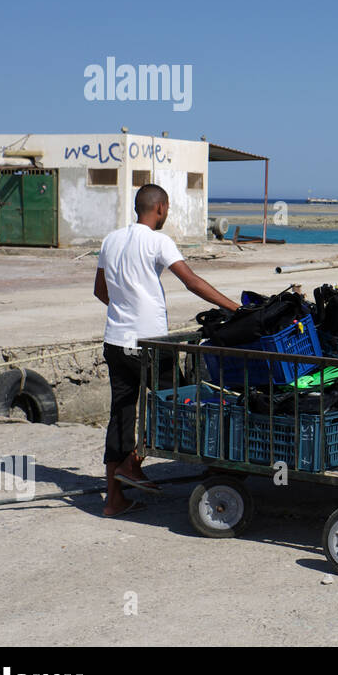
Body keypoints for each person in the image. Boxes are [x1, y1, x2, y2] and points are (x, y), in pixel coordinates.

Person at [94, 184, 240, 517]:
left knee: (121, 413)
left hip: (115, 341)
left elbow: (100, 290)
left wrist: (126, 311)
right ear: (160, 208)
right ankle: (147, 463)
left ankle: (114, 500)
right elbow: (192, 281)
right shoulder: (159, 241)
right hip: (149, 345)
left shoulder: (110, 240)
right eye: (167, 209)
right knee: (179, 404)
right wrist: (236, 309)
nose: (166, 214)